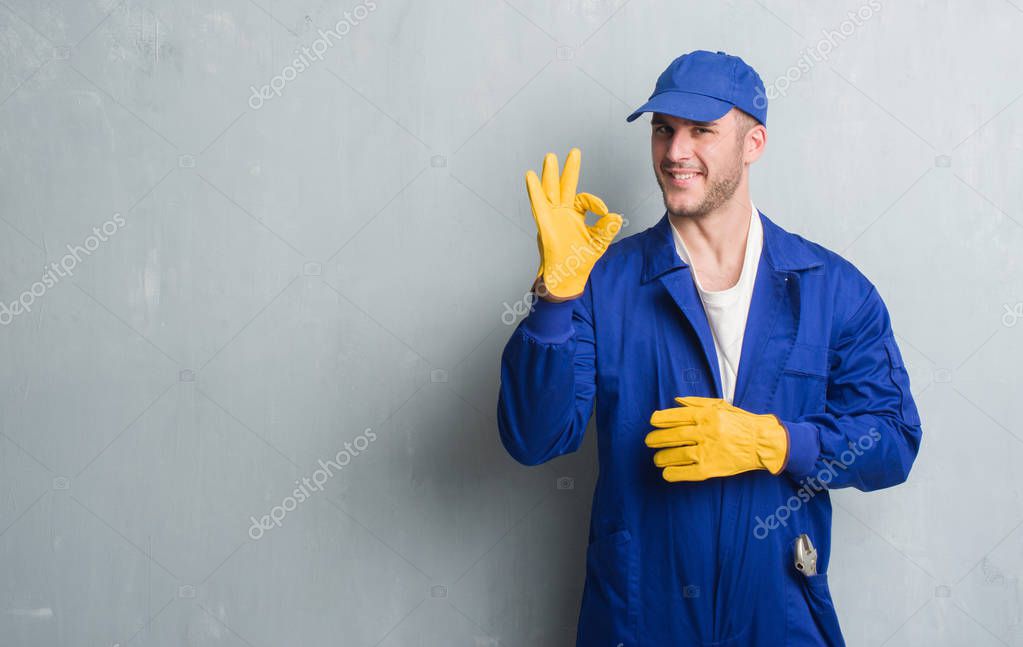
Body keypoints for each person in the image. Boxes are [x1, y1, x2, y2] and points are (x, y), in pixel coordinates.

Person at [496, 49, 922, 646]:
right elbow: (535, 438)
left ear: (754, 143)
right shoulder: (604, 282)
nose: (675, 153)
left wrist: (775, 442)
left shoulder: (833, 290)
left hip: (778, 618)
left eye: (703, 132)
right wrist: (557, 299)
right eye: (663, 130)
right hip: (640, 620)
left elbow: (892, 442)